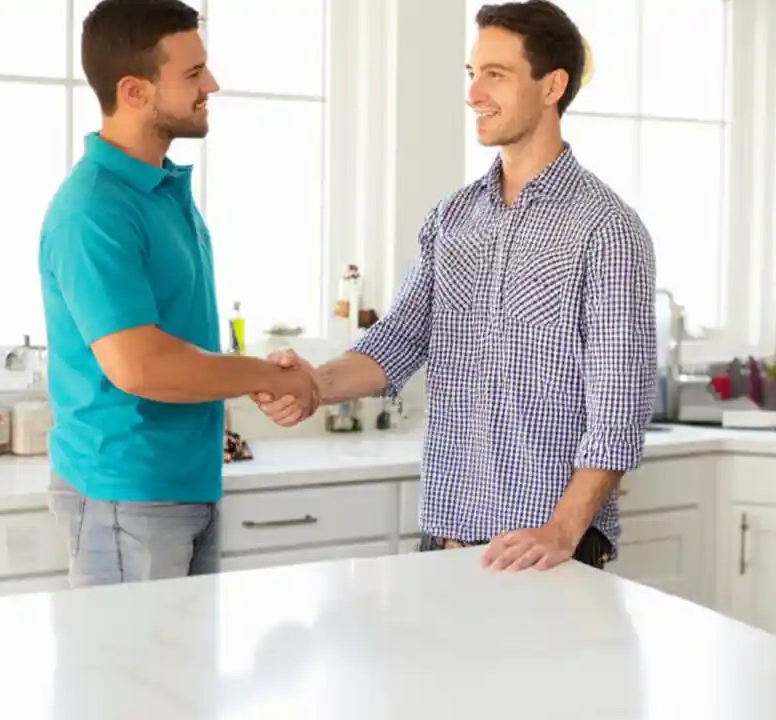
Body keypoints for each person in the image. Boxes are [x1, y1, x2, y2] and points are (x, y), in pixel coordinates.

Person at [256, 0, 657, 573]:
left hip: (543, 551)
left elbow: (618, 409)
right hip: (444, 537)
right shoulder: (451, 219)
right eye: (473, 75)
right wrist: (313, 385)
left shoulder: (607, 229)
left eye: (495, 74)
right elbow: (395, 342)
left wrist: (562, 530)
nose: (473, 94)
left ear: (553, 86)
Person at [39, 0, 319, 587]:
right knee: (130, 676)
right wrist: (265, 377)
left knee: (180, 677)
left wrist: (257, 372)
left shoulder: (162, 189)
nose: (211, 85)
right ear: (135, 91)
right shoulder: (95, 208)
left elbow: (177, 342)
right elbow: (141, 366)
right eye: (193, 74)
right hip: (126, 491)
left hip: (181, 483)